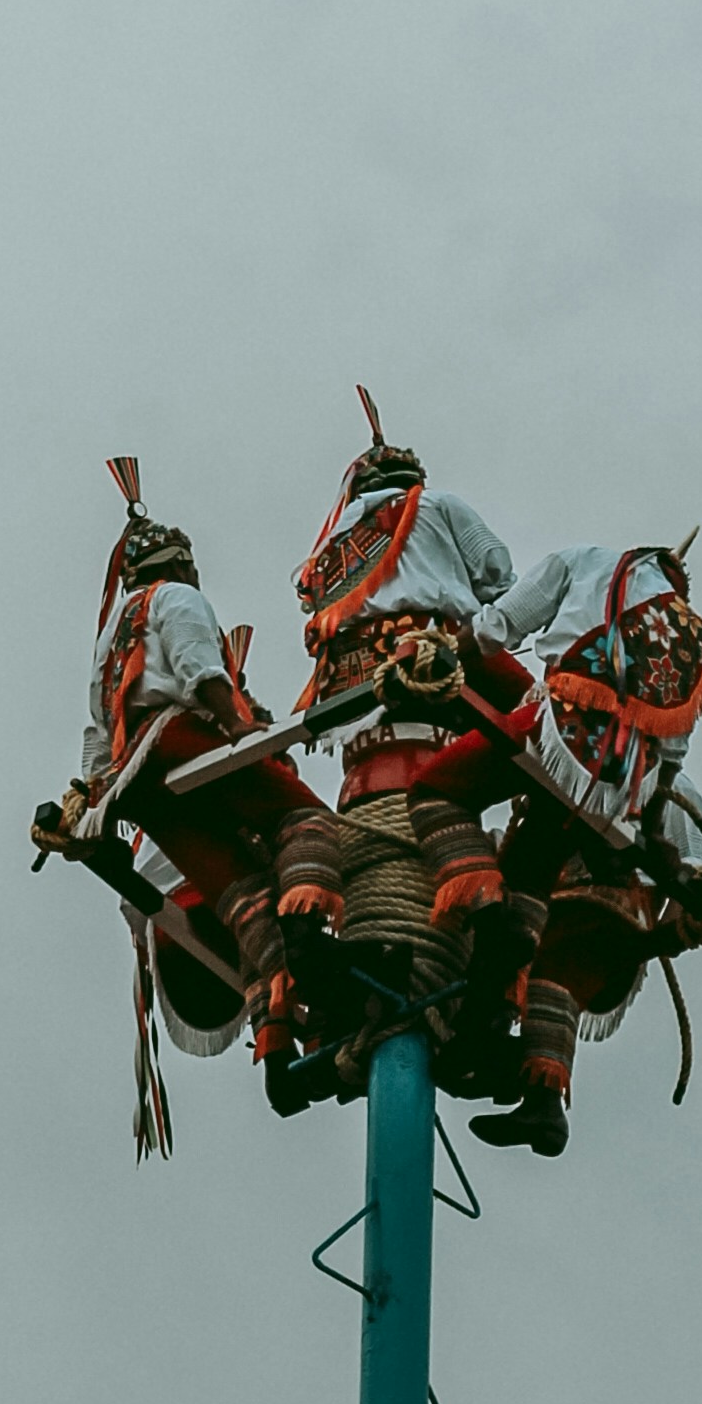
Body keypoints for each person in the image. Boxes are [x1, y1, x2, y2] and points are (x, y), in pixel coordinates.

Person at [33, 461, 297, 1143]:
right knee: (308, 824)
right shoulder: (177, 601)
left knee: (243, 890)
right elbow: (200, 668)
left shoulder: (108, 644)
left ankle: (277, 1049)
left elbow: (99, 735)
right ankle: (318, 915)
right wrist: (241, 726)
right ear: (183, 566)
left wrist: (90, 804)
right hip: (185, 747)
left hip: (151, 816)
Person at [267, 392, 538, 1051]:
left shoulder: (331, 546)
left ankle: (285, 1019)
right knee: (547, 719)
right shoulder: (438, 507)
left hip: (354, 693)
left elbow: (307, 593)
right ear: (412, 478)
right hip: (437, 661)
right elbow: (496, 567)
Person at [461, 535, 702, 1154]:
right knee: (553, 986)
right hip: (603, 933)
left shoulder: (585, 566)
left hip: (569, 903)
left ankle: (478, 1027)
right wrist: (681, 916)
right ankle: (541, 1105)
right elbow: (696, 863)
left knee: (511, 912)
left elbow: (693, 860)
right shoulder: (657, 770)